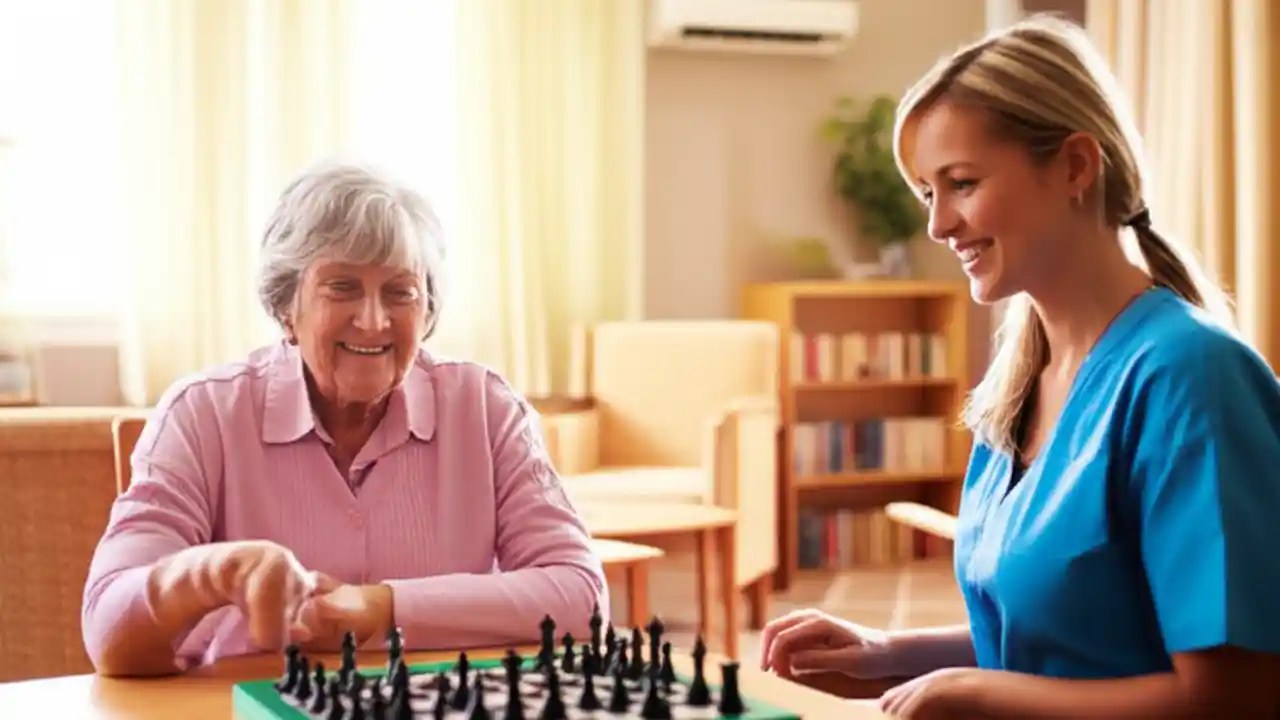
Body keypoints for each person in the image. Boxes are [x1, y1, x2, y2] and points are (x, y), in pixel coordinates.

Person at [761, 15, 1280, 719]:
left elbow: (1237, 696)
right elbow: (1056, 641)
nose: (938, 226)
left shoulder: (1193, 377)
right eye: (927, 194)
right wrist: (889, 652)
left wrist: (978, 693)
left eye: (962, 184)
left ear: (1074, 166)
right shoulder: (1020, 382)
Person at [81, 161, 608, 677]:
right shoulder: (203, 415)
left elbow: (581, 594)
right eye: (342, 287)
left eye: (401, 292)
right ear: (286, 306)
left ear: (427, 312)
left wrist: (384, 608)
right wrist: (217, 572)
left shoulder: (485, 408)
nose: (374, 320)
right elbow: (108, 631)